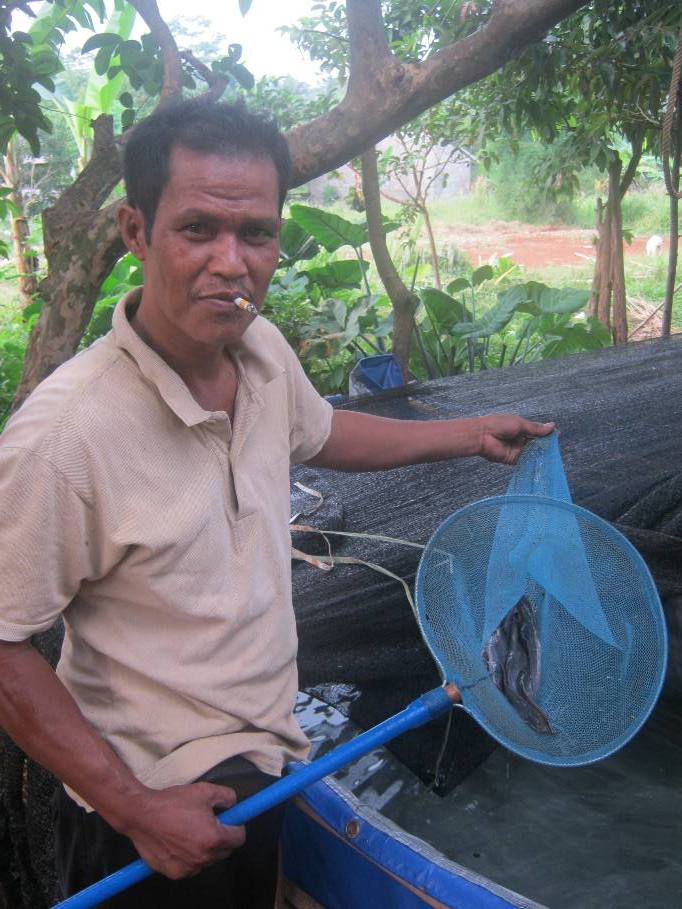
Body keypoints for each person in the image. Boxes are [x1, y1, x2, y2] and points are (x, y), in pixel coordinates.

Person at [0, 99, 554, 908]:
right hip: (150, 807)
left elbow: (323, 432)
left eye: (256, 232)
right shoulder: (65, 439)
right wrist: (136, 809)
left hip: (261, 765)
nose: (232, 261)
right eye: (198, 229)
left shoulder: (257, 349)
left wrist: (470, 435)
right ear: (134, 230)